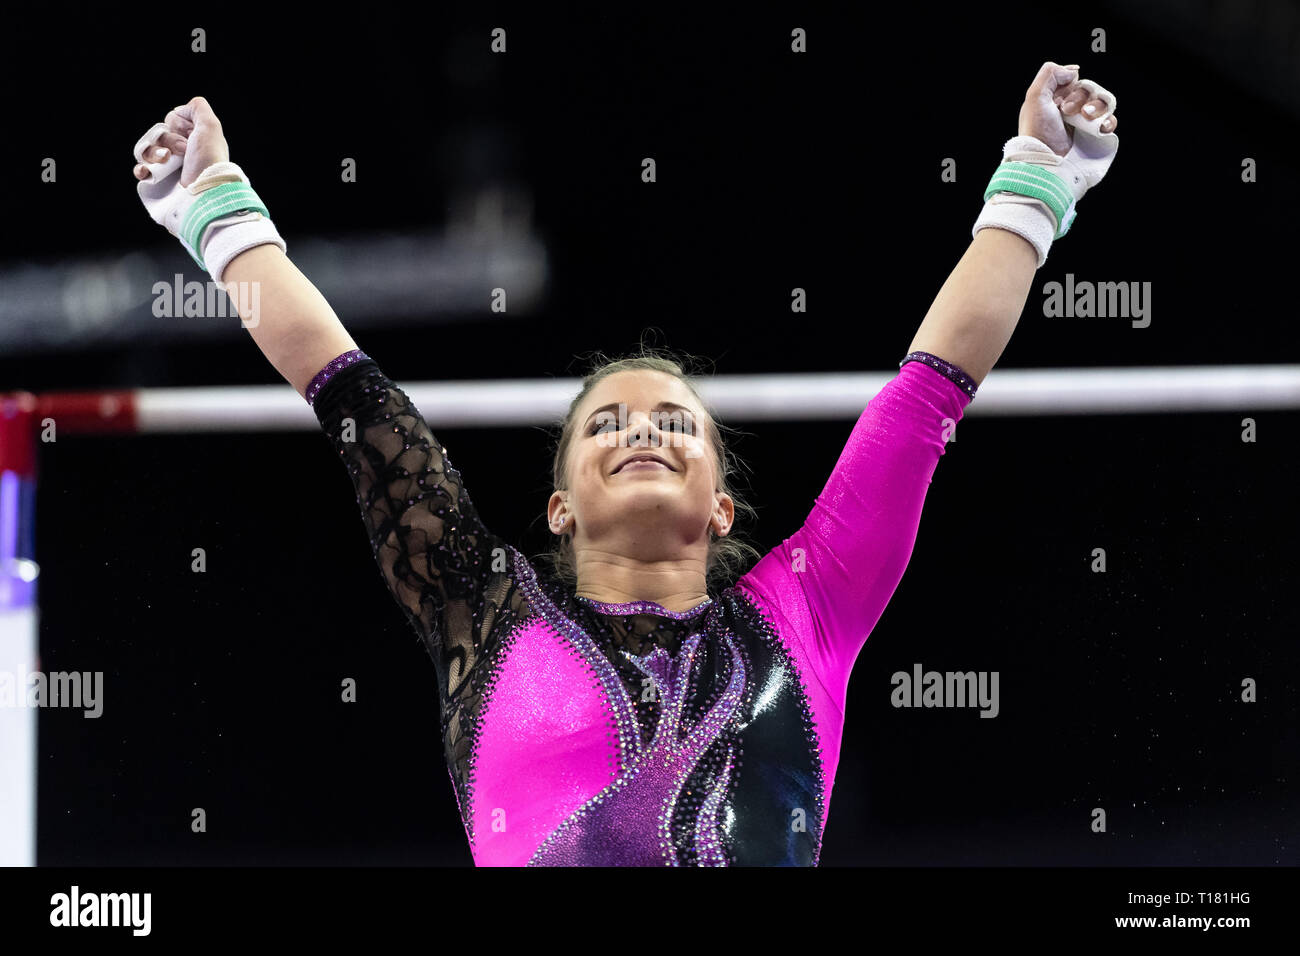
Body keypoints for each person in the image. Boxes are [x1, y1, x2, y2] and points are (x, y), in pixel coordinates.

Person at [131, 61, 1118, 865]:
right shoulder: (481, 604)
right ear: (558, 506)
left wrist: (1035, 177)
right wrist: (216, 210)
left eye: (675, 424)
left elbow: (929, 391)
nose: (640, 432)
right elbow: (346, 390)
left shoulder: (807, 609)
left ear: (722, 506)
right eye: (604, 425)